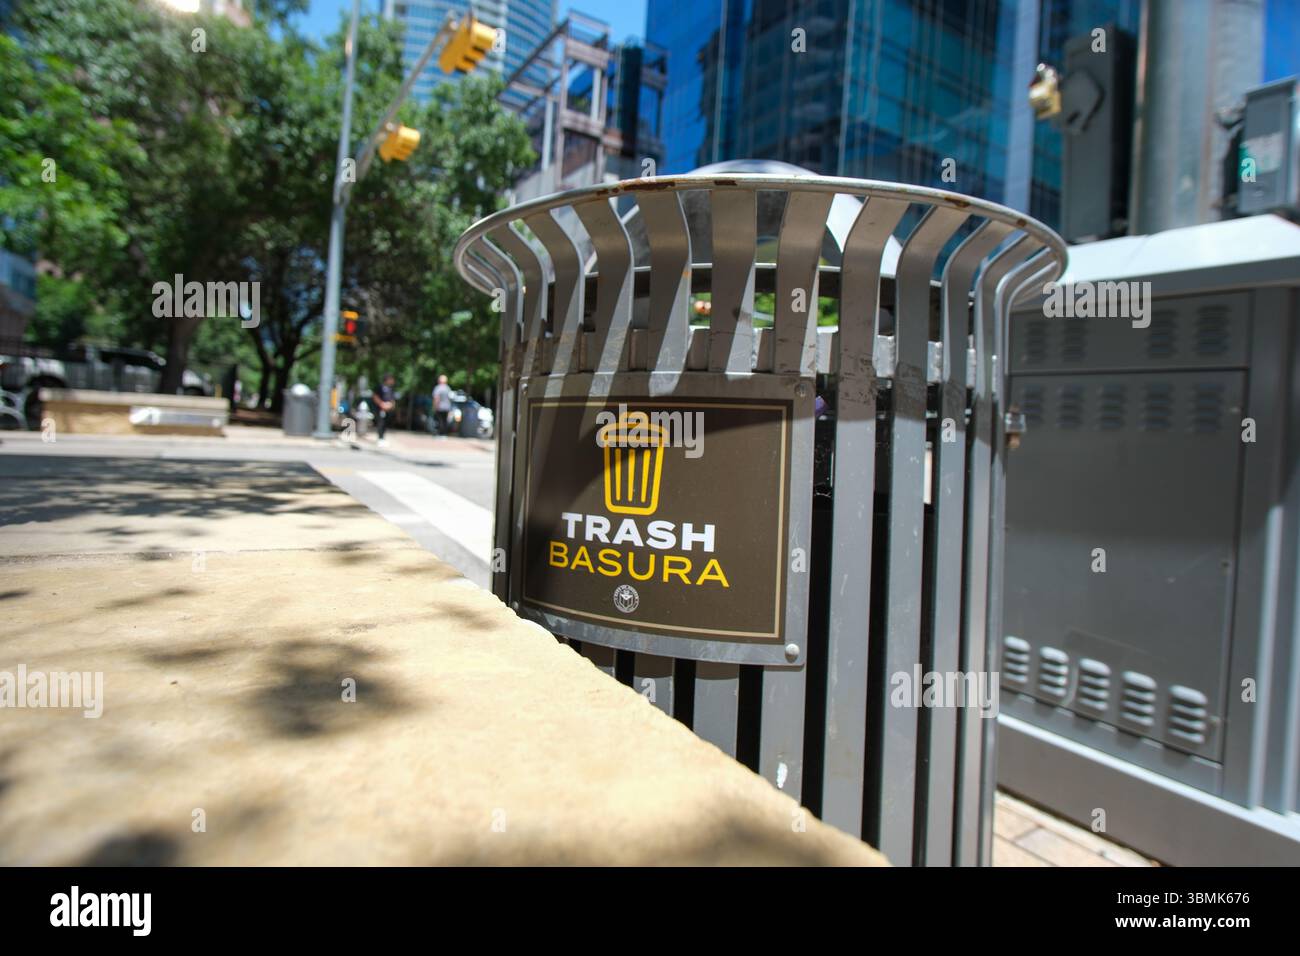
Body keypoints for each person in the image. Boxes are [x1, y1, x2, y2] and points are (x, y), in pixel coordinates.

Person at [371, 374, 397, 445]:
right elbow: (375, 396)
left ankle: (383, 437)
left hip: (388, 409)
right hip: (380, 409)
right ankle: (380, 438)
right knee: (381, 423)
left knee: (385, 423)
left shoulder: (391, 389)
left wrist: (391, 405)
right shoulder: (379, 387)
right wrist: (382, 404)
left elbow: (393, 399)